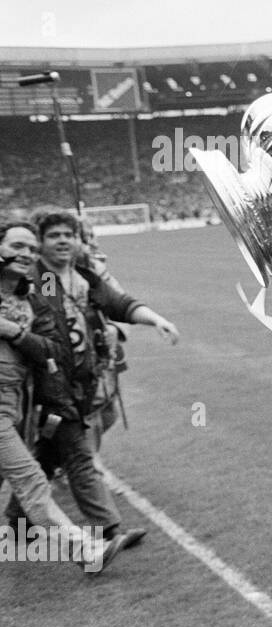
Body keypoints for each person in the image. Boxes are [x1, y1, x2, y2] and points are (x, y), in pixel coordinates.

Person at [4, 210, 179, 548]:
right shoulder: (33, 282)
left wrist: (154, 320)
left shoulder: (85, 276)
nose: (63, 241)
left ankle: (18, 524)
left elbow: (119, 304)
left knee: (52, 451)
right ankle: (108, 531)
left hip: (82, 380)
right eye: (54, 236)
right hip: (47, 384)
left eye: (69, 235)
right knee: (77, 452)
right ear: (40, 243)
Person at [0, 221, 126, 573]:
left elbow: (51, 348)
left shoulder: (31, 298)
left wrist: (13, 332)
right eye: (16, 246)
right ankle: (86, 552)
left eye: (30, 248)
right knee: (31, 480)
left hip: (17, 402)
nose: (25, 254)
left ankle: (23, 534)